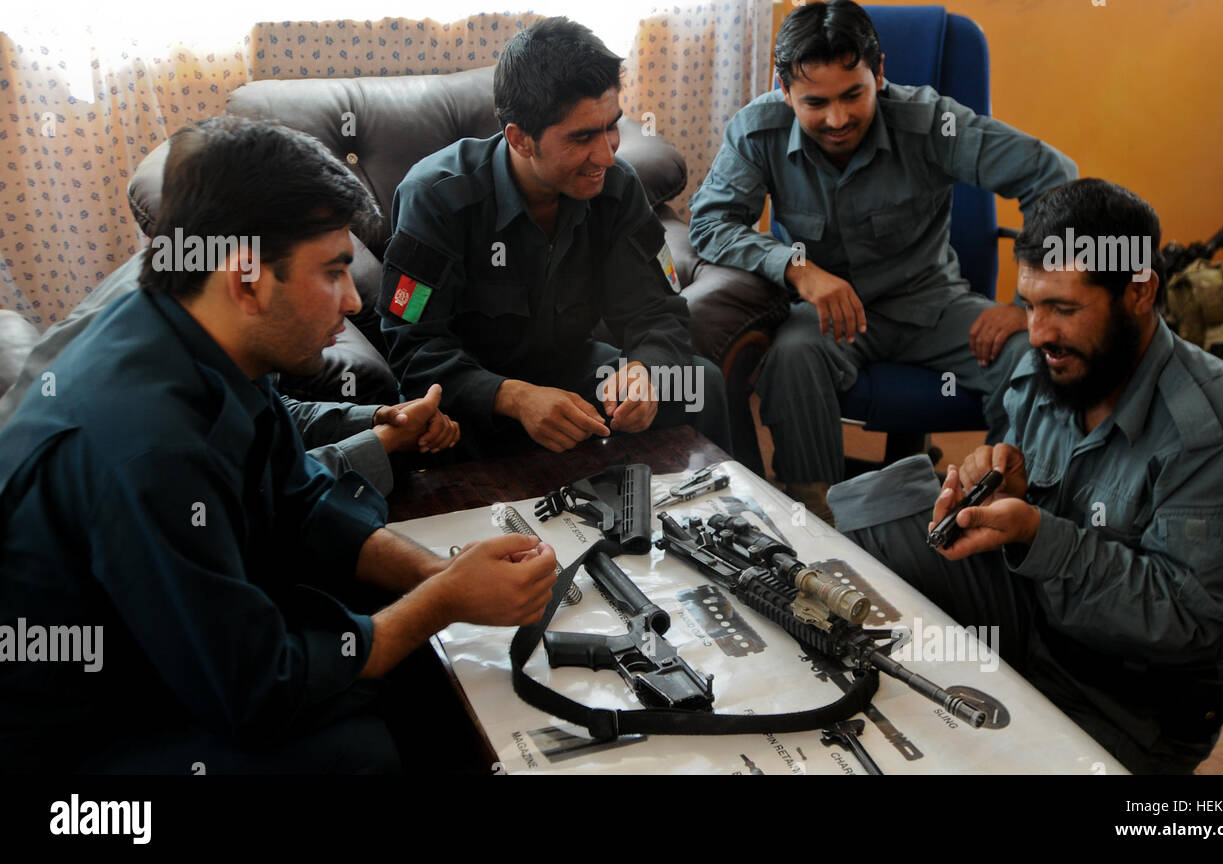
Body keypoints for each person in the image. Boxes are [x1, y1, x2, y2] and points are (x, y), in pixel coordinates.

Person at [0, 116, 557, 773]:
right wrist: (446, 601)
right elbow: (259, 691)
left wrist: (437, 573)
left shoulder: (203, 336)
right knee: (364, 750)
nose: (353, 301)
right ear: (246, 282)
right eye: (333, 272)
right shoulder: (145, 449)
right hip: (95, 723)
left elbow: (304, 505)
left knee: (413, 662)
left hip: (179, 644)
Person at [825, 178, 1223, 773]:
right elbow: (1025, 479)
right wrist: (998, 477)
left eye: (1064, 309)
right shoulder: (1054, 366)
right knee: (877, 525)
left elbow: (1189, 625)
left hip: (1132, 699)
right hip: (1039, 619)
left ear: (1140, 292)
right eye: (1029, 304)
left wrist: (1038, 536)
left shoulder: (1222, 431)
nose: (1038, 332)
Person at [689, 0, 1076, 518]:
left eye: (854, 94)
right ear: (784, 89)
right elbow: (710, 224)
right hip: (829, 315)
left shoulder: (930, 122)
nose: (837, 119)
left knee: (1034, 359)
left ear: (880, 73)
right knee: (792, 356)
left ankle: (1004, 508)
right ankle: (820, 519)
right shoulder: (757, 130)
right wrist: (797, 269)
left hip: (933, 304)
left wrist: (1029, 304)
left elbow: (1053, 175)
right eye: (815, 103)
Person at [379, 17, 731, 457]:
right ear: (520, 140)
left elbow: (658, 311)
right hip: (468, 398)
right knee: (433, 436)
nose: (606, 154)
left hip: (573, 375)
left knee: (700, 383)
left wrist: (646, 373)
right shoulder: (435, 197)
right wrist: (514, 397)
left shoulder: (617, 189)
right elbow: (412, 349)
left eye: (612, 126)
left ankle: (726, 521)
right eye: (582, 137)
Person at [0, 252, 460, 497]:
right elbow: (264, 498)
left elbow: (268, 417)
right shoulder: (159, 391)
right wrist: (380, 445)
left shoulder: (212, 298)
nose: (353, 301)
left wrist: (375, 419)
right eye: (331, 271)